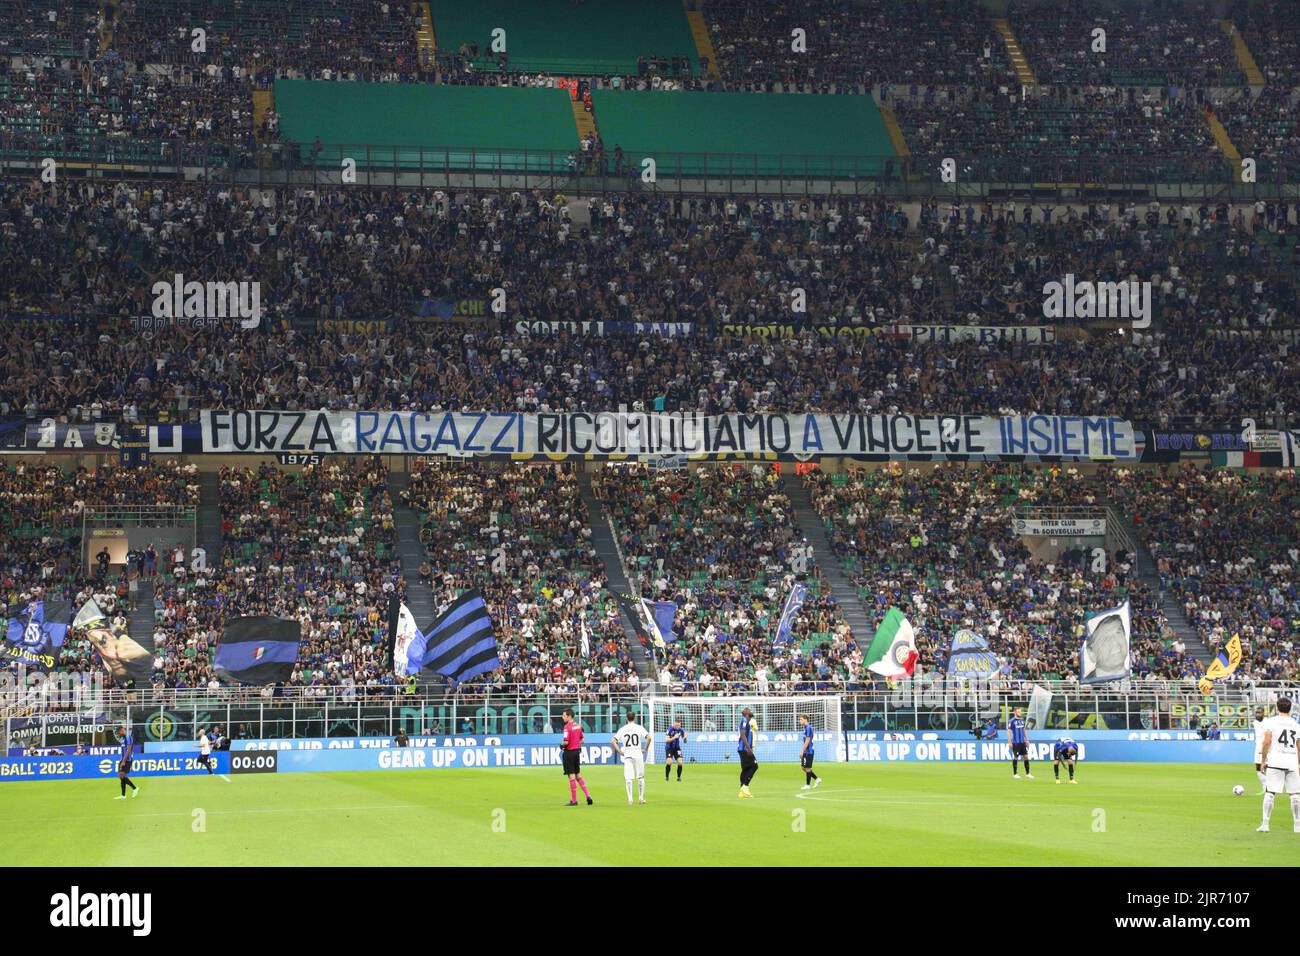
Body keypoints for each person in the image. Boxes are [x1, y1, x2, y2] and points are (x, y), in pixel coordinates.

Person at [1256, 697, 1300, 833]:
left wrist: (1263, 760)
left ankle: (1265, 824)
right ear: (1290, 708)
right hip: (1292, 761)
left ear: (1277, 707)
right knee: (1295, 794)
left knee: (1270, 793)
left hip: (1276, 760)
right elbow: (1298, 745)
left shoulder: (1271, 722)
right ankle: (1297, 825)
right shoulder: (1296, 724)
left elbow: (1267, 742)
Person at [612, 708, 651, 806]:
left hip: (628, 754)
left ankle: (630, 799)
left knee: (628, 778)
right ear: (634, 718)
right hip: (638, 753)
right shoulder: (639, 727)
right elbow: (649, 737)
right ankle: (641, 799)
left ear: (626, 718)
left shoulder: (623, 729)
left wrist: (620, 751)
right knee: (640, 777)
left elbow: (613, 741)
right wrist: (645, 749)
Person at [560, 708, 592, 807]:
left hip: (569, 753)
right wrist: (575, 743)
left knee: (572, 776)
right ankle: (588, 796)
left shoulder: (567, 727)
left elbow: (566, 742)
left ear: (569, 716)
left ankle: (574, 800)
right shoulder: (578, 726)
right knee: (578, 775)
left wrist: (561, 745)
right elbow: (582, 740)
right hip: (577, 752)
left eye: (564, 715)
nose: (563, 717)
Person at [114, 724, 139, 800]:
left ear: (122, 730)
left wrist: (124, 761)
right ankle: (123, 795)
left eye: (118, 732)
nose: (118, 734)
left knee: (121, 776)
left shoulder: (128, 737)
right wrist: (121, 760)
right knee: (122, 777)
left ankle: (135, 788)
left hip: (127, 760)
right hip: (124, 759)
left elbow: (128, 750)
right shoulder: (125, 738)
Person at [737, 707, 758, 798]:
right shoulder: (745, 721)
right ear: (746, 713)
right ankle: (745, 786)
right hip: (745, 749)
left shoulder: (747, 722)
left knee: (745, 769)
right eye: (749, 710)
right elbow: (742, 735)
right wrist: (749, 748)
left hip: (743, 749)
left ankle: (742, 791)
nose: (751, 711)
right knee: (754, 765)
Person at [1008, 707, 1032, 779]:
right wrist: (1010, 742)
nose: (1020, 713)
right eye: (1018, 712)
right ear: (1015, 712)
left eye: (1020, 712)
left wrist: (1027, 740)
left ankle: (1027, 773)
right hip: (1016, 742)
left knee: (1026, 756)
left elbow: (1024, 730)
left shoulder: (1022, 720)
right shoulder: (1012, 721)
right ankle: (1015, 774)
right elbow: (1009, 732)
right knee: (1016, 757)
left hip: (1022, 742)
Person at [799, 714, 820, 790]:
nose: (800, 721)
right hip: (806, 751)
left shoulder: (808, 728)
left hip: (809, 751)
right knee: (803, 767)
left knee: (807, 768)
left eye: (801, 719)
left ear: (805, 719)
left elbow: (807, 741)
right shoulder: (805, 728)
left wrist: (802, 751)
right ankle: (817, 779)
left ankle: (807, 785)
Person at [664, 717, 686, 782]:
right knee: (669, 762)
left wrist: (685, 738)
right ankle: (667, 777)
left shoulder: (680, 729)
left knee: (680, 762)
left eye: (679, 725)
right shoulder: (670, 729)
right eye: (676, 725)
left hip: (677, 748)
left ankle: (678, 778)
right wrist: (674, 737)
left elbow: (685, 735)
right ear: (674, 723)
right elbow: (666, 740)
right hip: (669, 748)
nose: (678, 726)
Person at [1253, 706, 1268, 795]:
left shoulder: (1267, 722)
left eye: (1259, 712)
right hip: (1258, 748)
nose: (1258, 714)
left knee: (1267, 768)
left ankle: (1268, 787)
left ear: (1263, 713)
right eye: (1256, 712)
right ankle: (1265, 787)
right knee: (1258, 769)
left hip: (1266, 748)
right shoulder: (1255, 722)